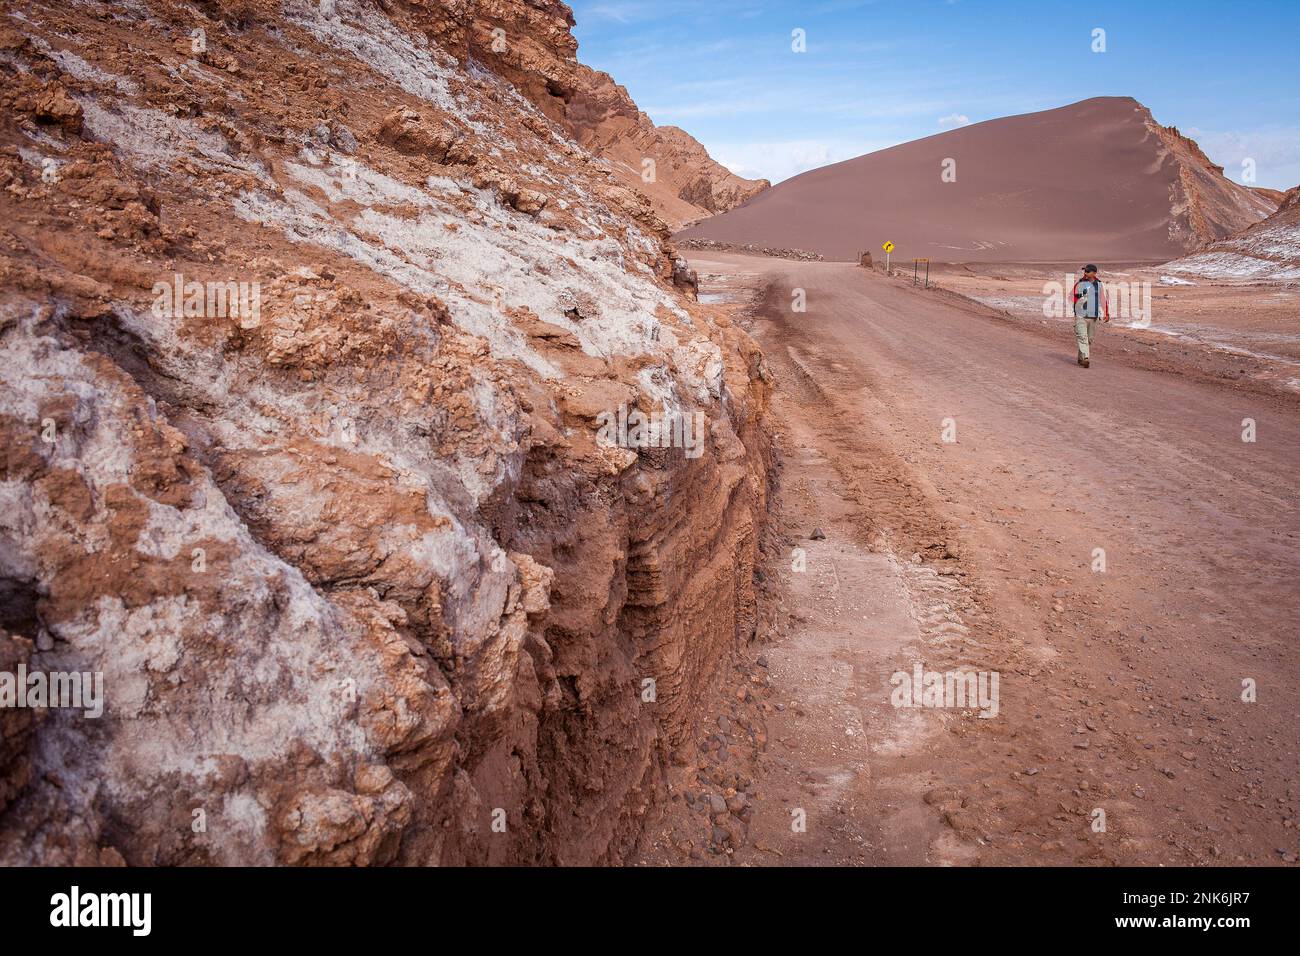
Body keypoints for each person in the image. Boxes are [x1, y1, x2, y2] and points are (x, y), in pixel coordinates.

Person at [1070, 264, 1110, 367]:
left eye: (1088, 271)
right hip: (1081, 315)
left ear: (1094, 273)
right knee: (1082, 337)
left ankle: (1081, 358)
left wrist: (1106, 313)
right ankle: (1086, 358)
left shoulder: (1099, 285)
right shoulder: (1079, 283)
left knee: (1089, 339)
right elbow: (1072, 297)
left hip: (1094, 316)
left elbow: (1102, 299)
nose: (1085, 273)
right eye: (1085, 271)